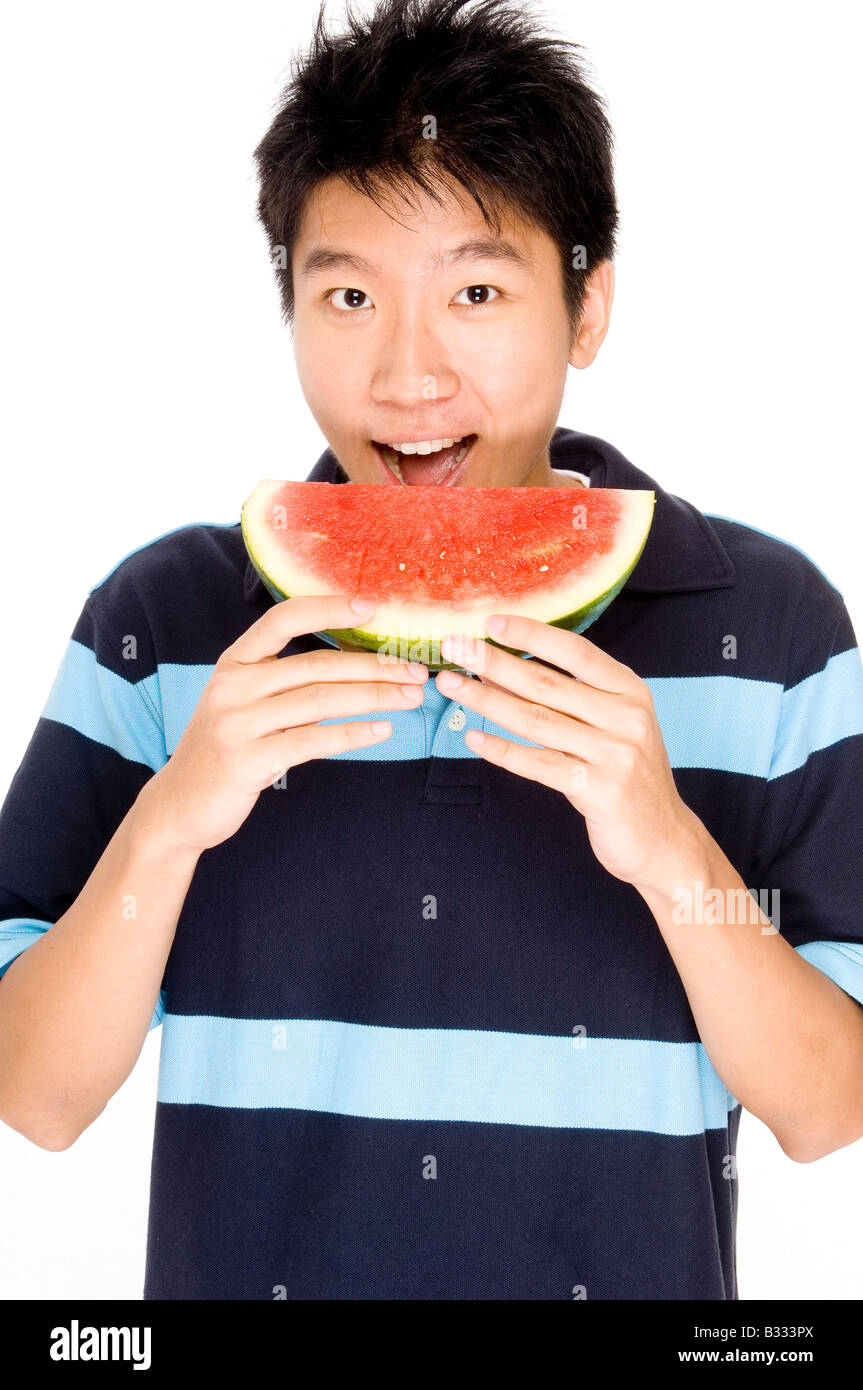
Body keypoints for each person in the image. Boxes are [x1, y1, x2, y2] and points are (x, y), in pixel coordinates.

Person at [1, 0, 862, 1301]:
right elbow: (37, 1097)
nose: (409, 372)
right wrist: (171, 819)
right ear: (286, 302)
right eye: (348, 294)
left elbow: (828, 1107)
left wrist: (670, 845)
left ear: (588, 306)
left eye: (474, 290)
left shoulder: (774, 628)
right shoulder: (163, 623)